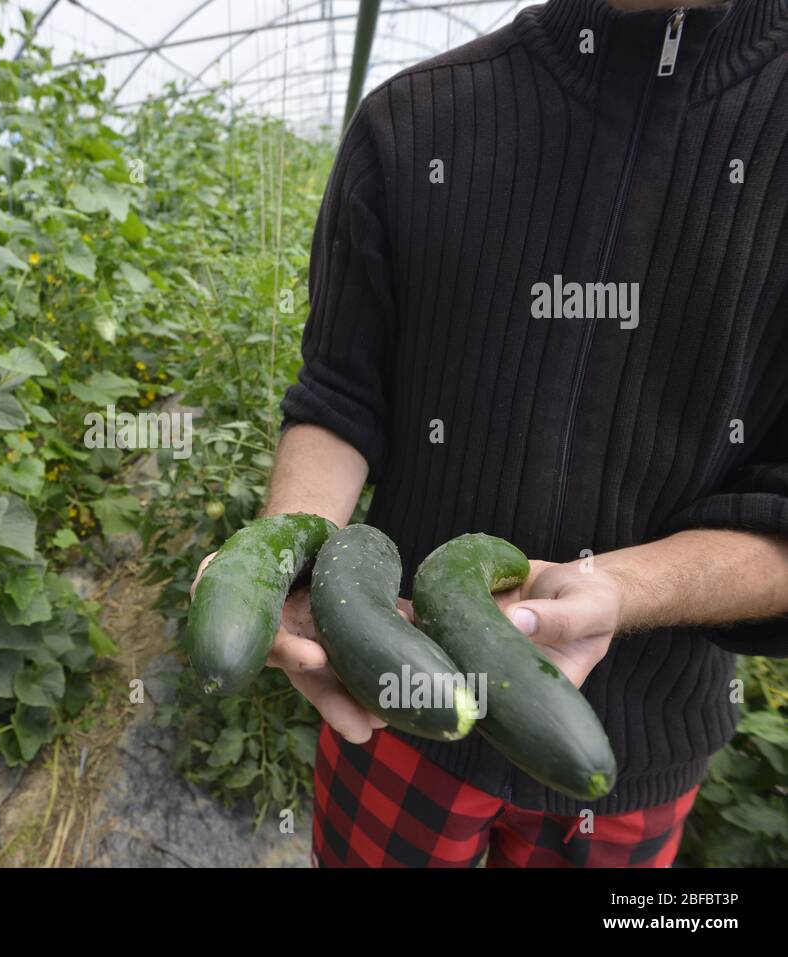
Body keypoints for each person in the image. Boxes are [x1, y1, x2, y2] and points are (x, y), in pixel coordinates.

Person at [192, 0, 788, 867]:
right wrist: (292, 556)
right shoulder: (414, 119)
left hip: (633, 746)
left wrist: (619, 590)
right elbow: (339, 397)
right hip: (398, 695)